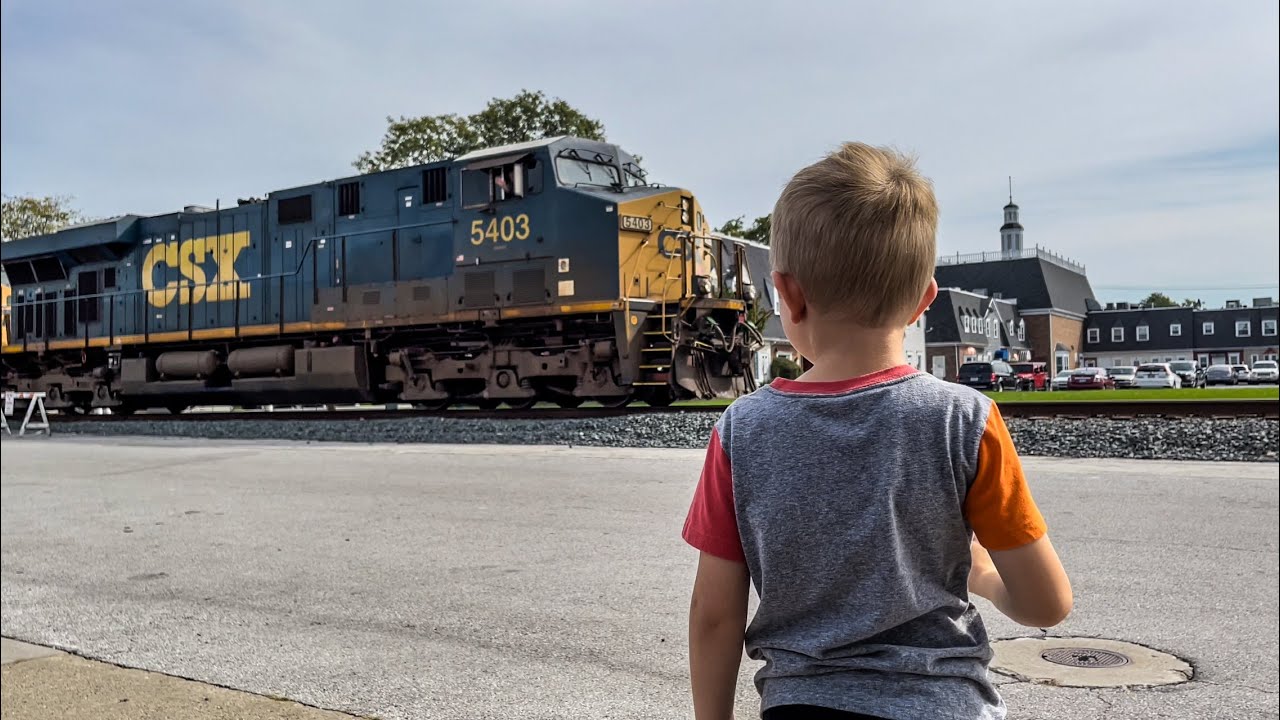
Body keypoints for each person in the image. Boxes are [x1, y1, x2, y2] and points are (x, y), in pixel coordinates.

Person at [682, 142, 1072, 720]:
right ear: (924, 303)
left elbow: (716, 615)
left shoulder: (743, 431)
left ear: (786, 294)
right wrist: (985, 576)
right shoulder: (965, 421)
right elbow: (1047, 604)